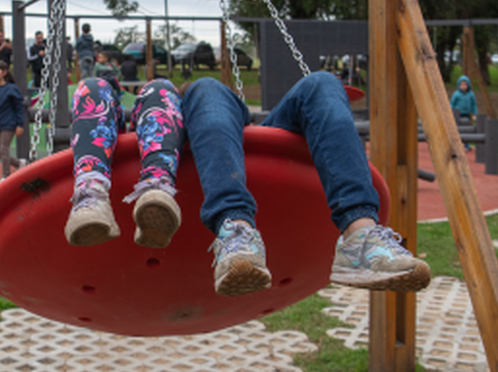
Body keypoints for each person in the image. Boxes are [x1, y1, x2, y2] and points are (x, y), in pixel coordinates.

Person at [182, 74, 430, 296]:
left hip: (265, 164)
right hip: (201, 176)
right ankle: (235, 234)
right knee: (206, 88)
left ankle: (360, 236)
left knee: (322, 83)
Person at [64, 74, 183, 250]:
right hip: (110, 149)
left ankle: (156, 188)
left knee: (160, 88)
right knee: (91, 87)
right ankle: (91, 192)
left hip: (155, 152)